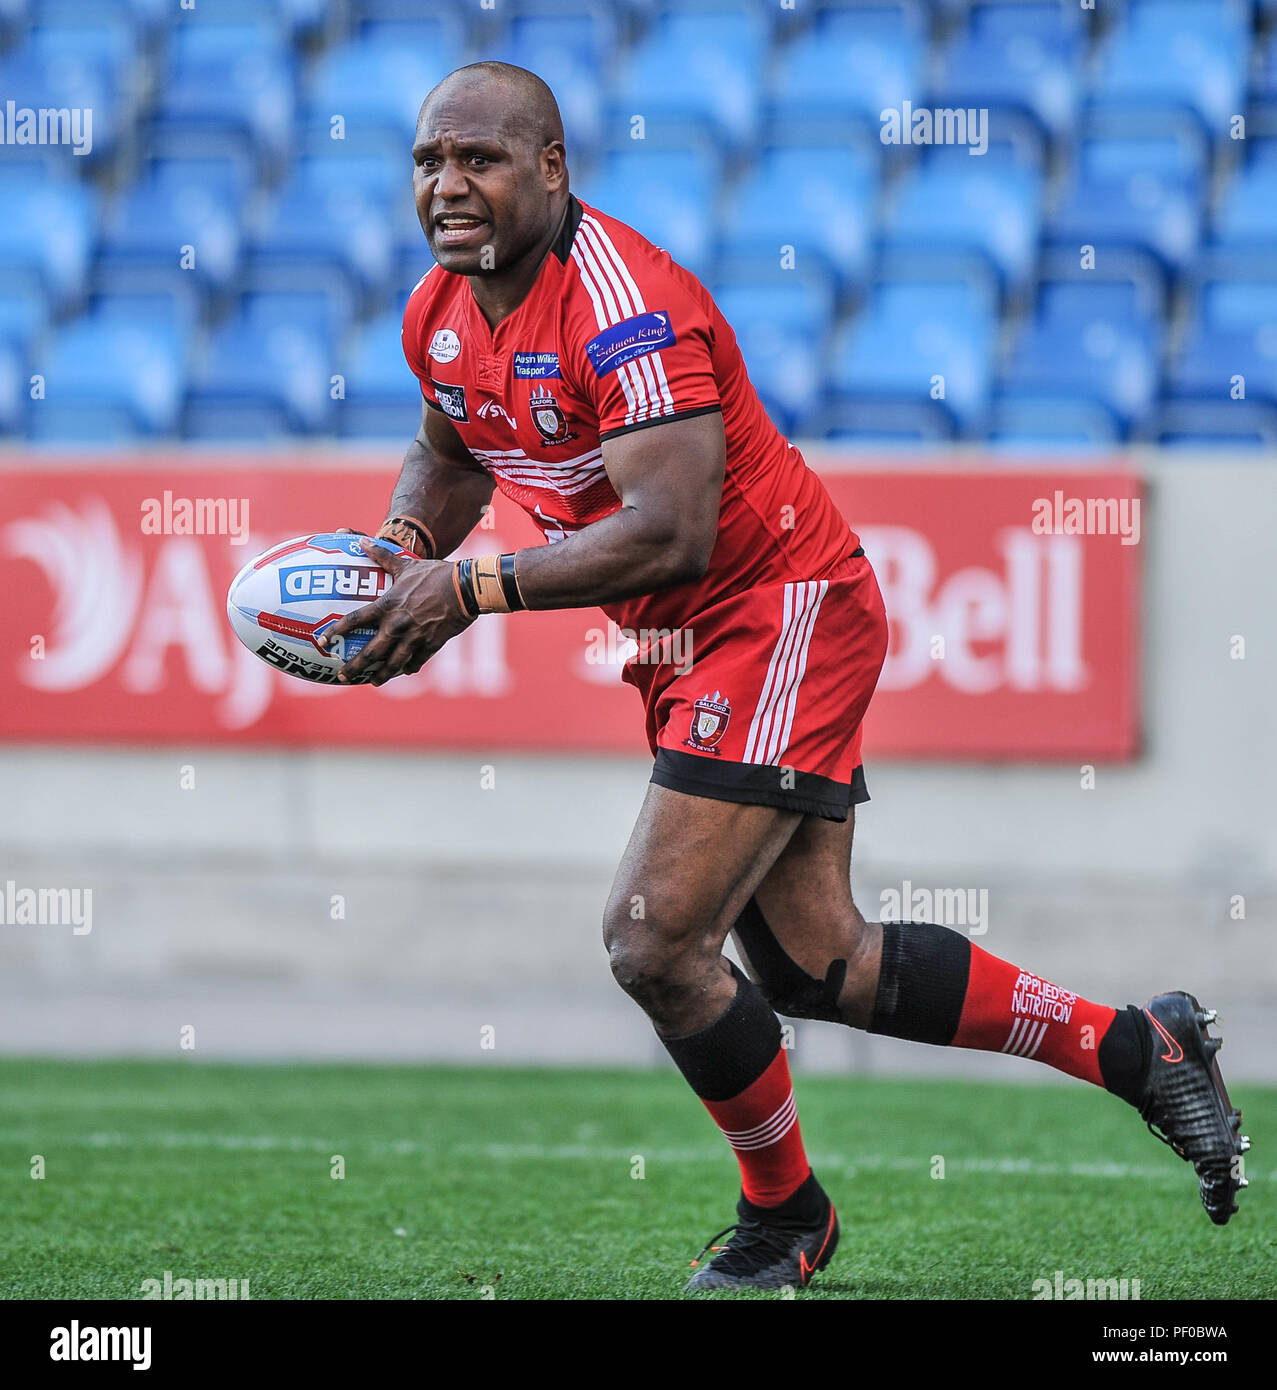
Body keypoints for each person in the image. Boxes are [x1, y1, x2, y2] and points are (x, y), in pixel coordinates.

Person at [320, 62, 1248, 1292]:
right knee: (819, 966)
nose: (448, 183)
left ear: (551, 167)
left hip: (775, 608)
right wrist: (403, 549)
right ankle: (1140, 1051)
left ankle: (785, 1219)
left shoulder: (625, 308)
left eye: (480, 158)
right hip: (685, 639)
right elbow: (451, 448)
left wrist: (472, 591)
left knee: (651, 939)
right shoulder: (439, 308)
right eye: (430, 160)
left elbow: (670, 531)